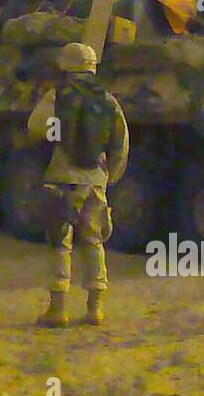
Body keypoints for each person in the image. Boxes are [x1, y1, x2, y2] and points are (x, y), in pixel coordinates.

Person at [26, 42, 128, 328]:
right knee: (94, 242)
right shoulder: (108, 100)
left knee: (60, 243)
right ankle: (95, 308)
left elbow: (36, 127)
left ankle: (58, 309)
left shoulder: (57, 96)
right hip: (95, 181)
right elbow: (120, 143)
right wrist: (110, 177)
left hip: (61, 179)